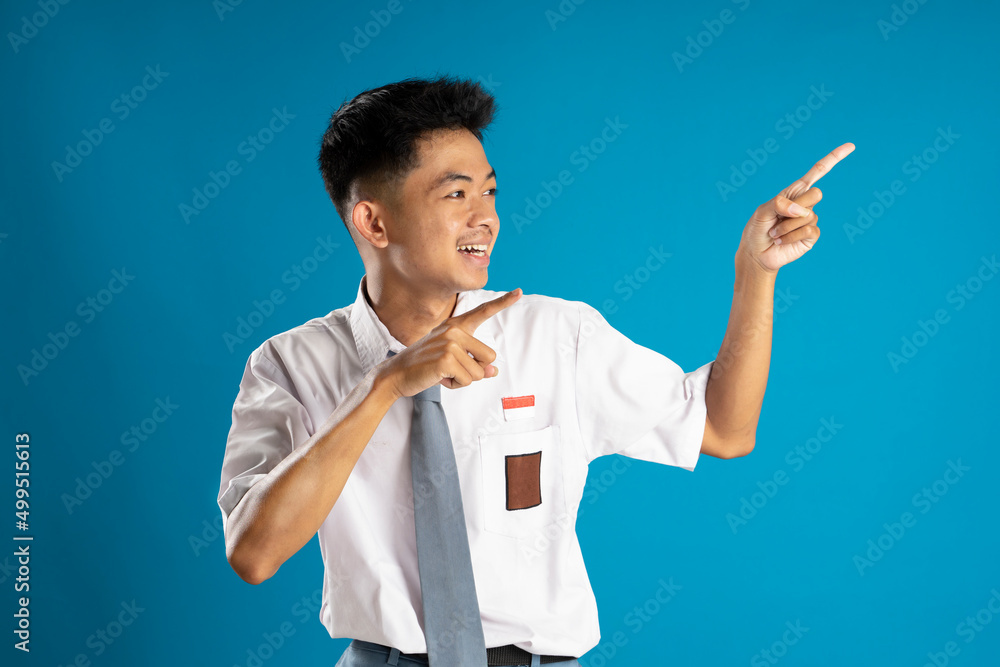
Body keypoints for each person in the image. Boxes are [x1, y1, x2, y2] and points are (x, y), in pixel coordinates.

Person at [217, 75, 854, 666]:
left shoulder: (556, 334)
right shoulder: (288, 366)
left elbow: (724, 430)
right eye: (457, 193)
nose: (485, 216)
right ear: (373, 221)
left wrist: (756, 274)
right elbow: (254, 553)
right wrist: (384, 385)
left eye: (489, 190)